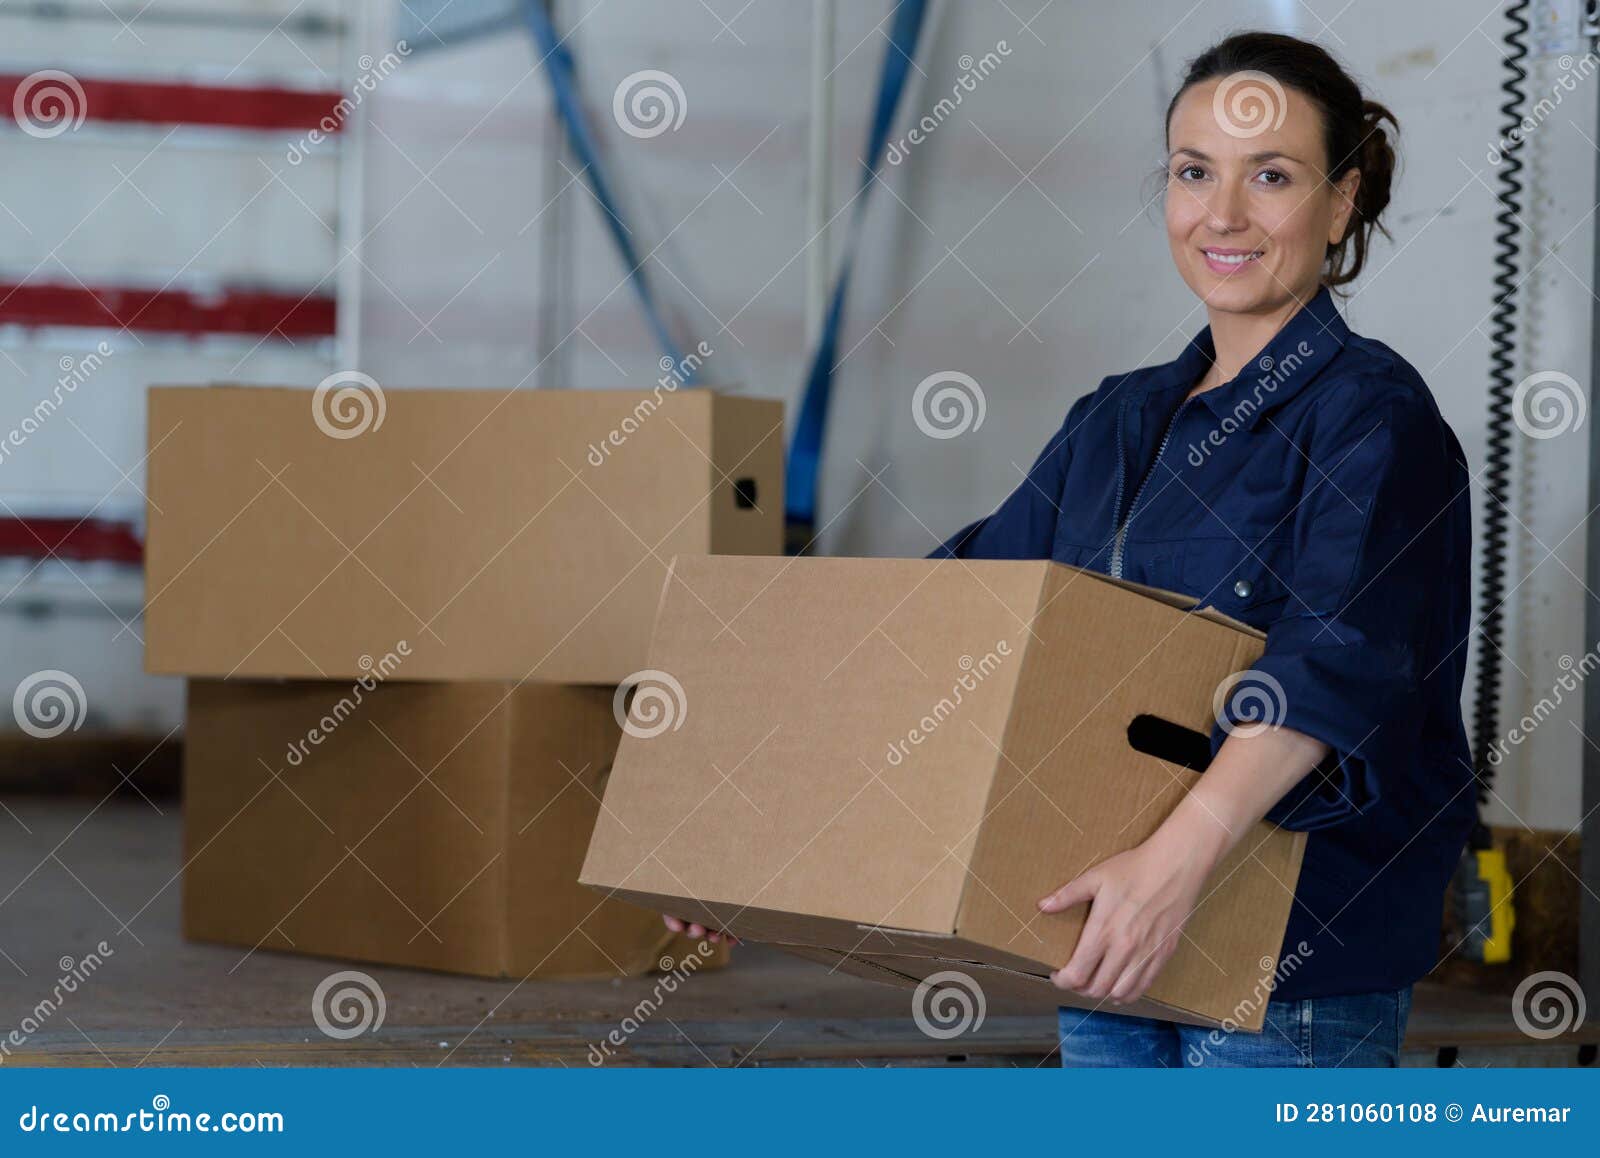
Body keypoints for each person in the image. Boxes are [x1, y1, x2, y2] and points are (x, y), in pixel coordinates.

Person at [922, 29, 1475, 1067]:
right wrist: (763, 854)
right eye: (1193, 173)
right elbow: (966, 605)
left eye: (1270, 176)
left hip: (1288, 960)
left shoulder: (1373, 420)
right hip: (1102, 928)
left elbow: (1330, 665)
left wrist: (1176, 865)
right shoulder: (1116, 421)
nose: (1221, 215)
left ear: (1342, 199)